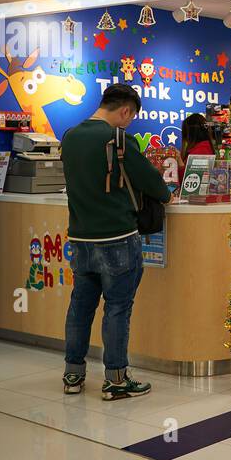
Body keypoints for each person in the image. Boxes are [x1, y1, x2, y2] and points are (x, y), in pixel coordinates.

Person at [60, 84, 170, 401]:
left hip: (80, 237)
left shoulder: (70, 136)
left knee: (80, 308)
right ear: (124, 110)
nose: (130, 122)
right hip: (117, 237)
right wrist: (165, 195)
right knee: (118, 309)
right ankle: (116, 380)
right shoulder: (118, 138)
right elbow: (149, 179)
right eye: (131, 116)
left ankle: (73, 375)